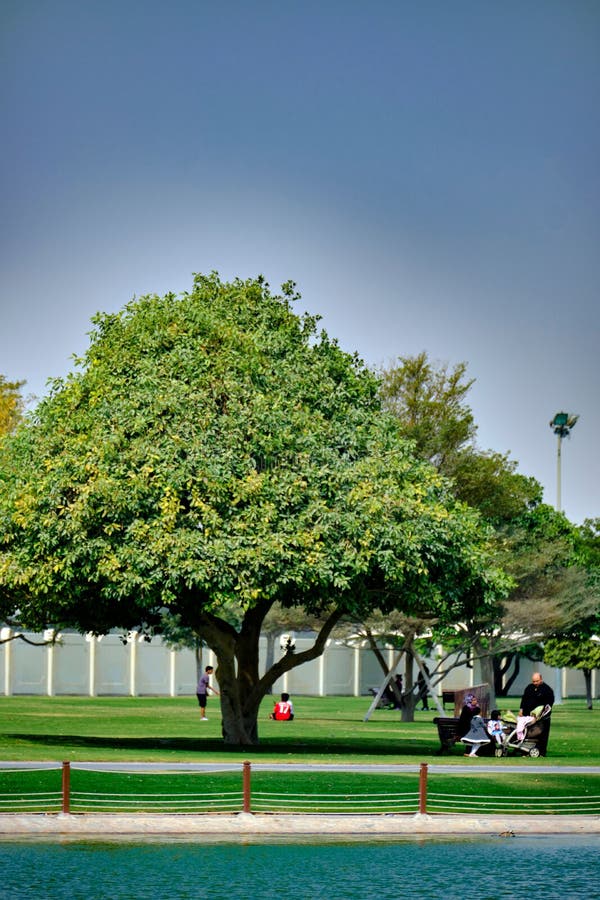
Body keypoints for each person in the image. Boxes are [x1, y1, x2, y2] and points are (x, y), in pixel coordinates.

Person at [519, 672, 554, 756]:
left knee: (542, 735)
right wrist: (521, 710)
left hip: (542, 717)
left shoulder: (547, 690)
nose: (535, 683)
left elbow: (548, 705)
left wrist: (538, 716)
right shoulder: (529, 687)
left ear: (541, 679)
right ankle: (525, 750)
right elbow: (524, 699)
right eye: (533, 681)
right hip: (528, 716)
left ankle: (541, 752)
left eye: (537, 681)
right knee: (527, 734)